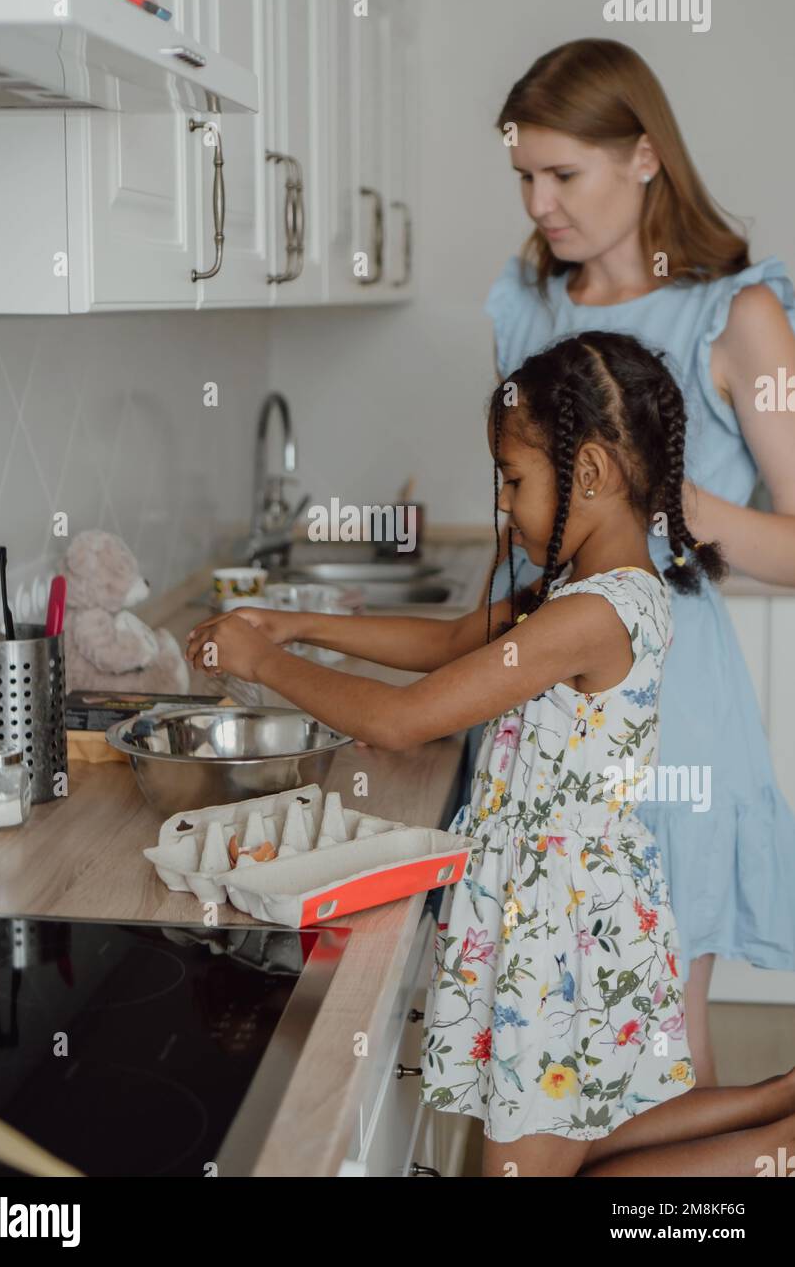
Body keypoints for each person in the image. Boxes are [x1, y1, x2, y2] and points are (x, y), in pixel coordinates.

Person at [186, 333, 795, 1178]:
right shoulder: (576, 590)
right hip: (561, 906)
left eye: (513, 480)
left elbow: (403, 721)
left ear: (590, 473)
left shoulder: (594, 613)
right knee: (572, 1135)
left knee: (538, 1162)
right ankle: (779, 1104)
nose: (504, 506)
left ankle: (779, 1148)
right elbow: (447, 642)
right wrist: (298, 627)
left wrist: (263, 664)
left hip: (559, 925)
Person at [479, 37, 795, 1088]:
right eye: (522, 175)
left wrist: (682, 509)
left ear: (644, 157)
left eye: (562, 174)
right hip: (541, 693)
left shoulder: (736, 316)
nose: (537, 203)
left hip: (671, 714)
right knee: (542, 1021)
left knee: (653, 1031)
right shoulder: (525, 309)